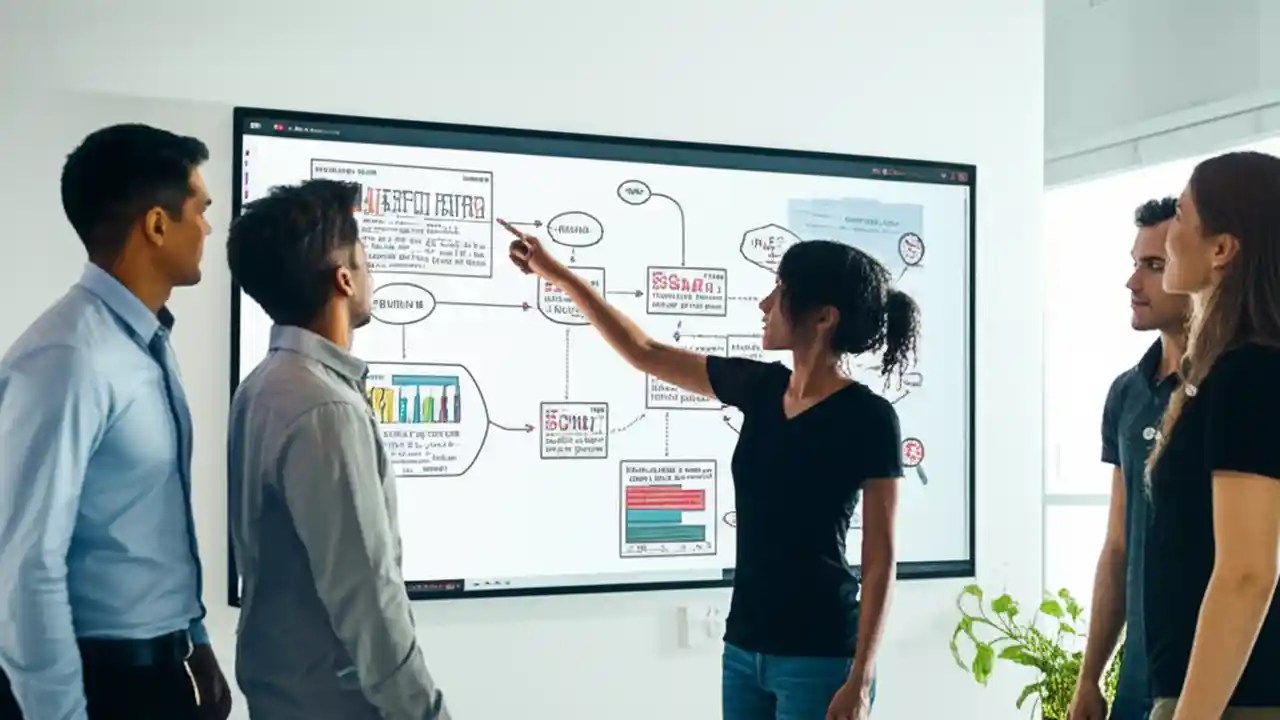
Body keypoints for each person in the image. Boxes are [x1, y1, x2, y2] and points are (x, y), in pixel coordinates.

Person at [499, 220, 917, 720]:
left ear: (824, 316)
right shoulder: (760, 388)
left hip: (821, 658)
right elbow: (645, 352)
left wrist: (862, 677)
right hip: (742, 651)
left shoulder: (869, 418)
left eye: (780, 291)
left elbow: (880, 559)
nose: (765, 305)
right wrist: (559, 275)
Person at [0, 124, 231, 719]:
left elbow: (146, 517)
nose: (208, 228)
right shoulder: (70, 358)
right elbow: (25, 563)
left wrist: (194, 639)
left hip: (158, 670)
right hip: (97, 685)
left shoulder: (142, 342)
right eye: (201, 210)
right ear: (157, 224)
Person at [226, 179, 451, 720]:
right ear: (344, 279)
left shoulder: (263, 384)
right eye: (365, 256)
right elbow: (369, 600)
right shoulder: (326, 408)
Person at [1142, 150, 1280, 720]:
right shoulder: (1222, 369)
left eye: (1180, 213)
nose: (1169, 232)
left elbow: (1248, 571)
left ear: (1222, 249)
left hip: (1231, 703)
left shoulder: (1251, 372)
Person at [1068, 198, 1188, 720]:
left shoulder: (1239, 386)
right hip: (1137, 685)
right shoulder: (1127, 392)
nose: (1133, 282)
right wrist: (1089, 678)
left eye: (1155, 266)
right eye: (1135, 262)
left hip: (1218, 684)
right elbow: (1118, 546)